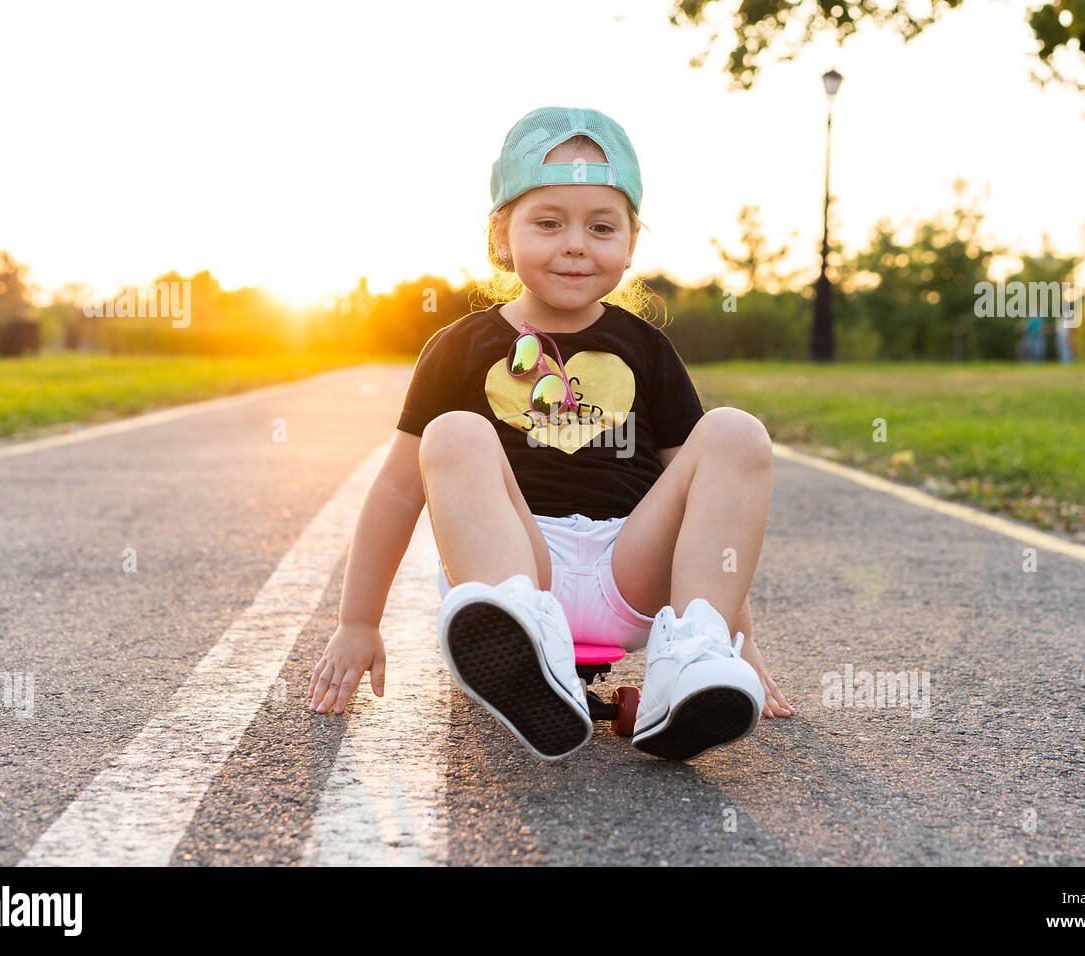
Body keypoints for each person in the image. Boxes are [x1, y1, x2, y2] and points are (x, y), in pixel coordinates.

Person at [308, 106, 792, 762]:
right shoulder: (458, 347)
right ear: (501, 236)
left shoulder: (646, 349)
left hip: (630, 572)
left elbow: (712, 505)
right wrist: (357, 622)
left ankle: (694, 658)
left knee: (734, 434)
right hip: (517, 568)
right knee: (453, 433)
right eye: (548, 223)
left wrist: (740, 639)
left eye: (601, 227)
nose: (575, 244)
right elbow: (397, 492)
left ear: (631, 242)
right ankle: (525, 650)